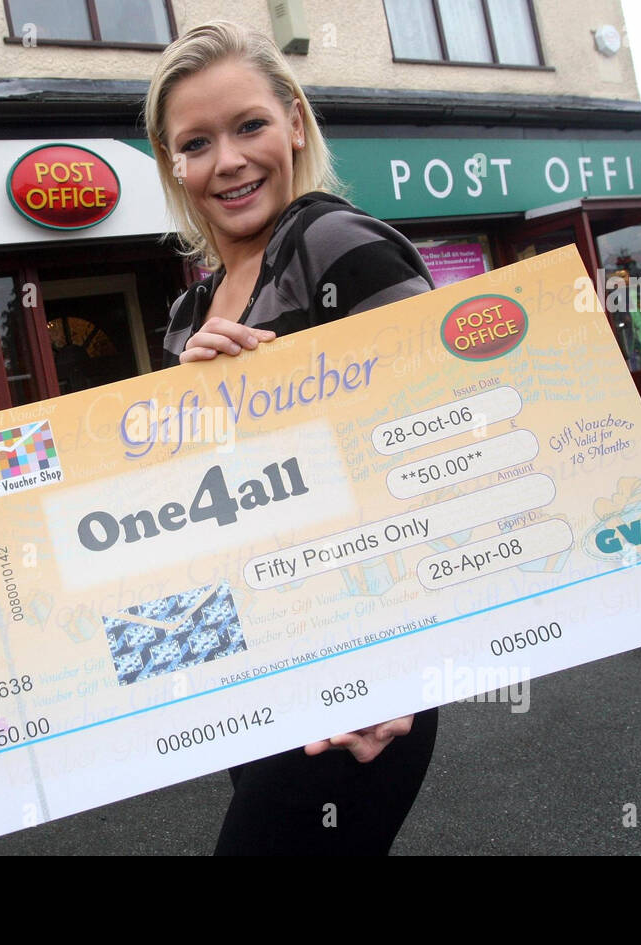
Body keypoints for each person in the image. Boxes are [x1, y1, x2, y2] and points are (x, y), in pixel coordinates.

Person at [145, 20, 438, 855]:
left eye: (249, 126)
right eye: (196, 142)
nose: (228, 160)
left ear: (296, 123)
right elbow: (199, 505)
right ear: (174, 165)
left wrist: (401, 672)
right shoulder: (185, 312)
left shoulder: (338, 246)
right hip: (257, 661)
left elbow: (440, 451)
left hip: (363, 677)